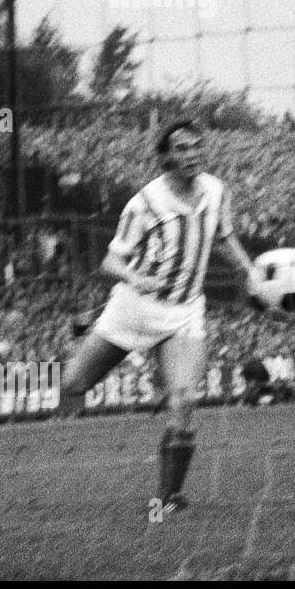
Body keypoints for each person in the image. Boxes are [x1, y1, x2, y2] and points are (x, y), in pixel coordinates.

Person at [57, 120, 261, 513]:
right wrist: (135, 275)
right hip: (132, 310)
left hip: (184, 312)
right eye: (181, 148)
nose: (191, 154)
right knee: (73, 383)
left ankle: (167, 499)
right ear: (165, 157)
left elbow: (224, 236)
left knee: (184, 399)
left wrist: (249, 272)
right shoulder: (144, 202)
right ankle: (94, 323)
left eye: (196, 146)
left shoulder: (217, 191)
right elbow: (111, 260)